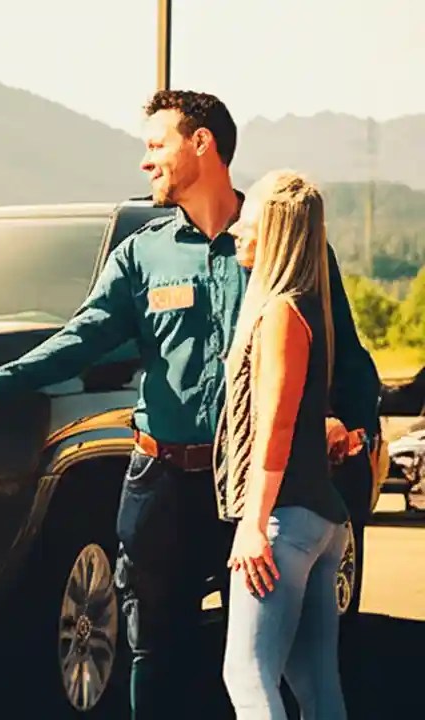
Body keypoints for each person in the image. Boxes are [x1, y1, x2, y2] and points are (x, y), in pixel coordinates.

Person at [0, 90, 380, 718]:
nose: (146, 162)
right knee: (153, 646)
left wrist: (355, 424)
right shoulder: (142, 255)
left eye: (156, 146)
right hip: (161, 481)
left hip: (258, 486)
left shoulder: (276, 247)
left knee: (262, 662)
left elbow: (347, 350)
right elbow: (80, 339)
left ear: (201, 144)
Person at [217, 170, 351, 718]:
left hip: (284, 523)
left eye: (246, 225)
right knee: (314, 682)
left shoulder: (279, 314)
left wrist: (254, 523)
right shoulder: (306, 307)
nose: (235, 234)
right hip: (321, 521)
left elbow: (275, 426)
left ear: (271, 233)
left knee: (246, 676)